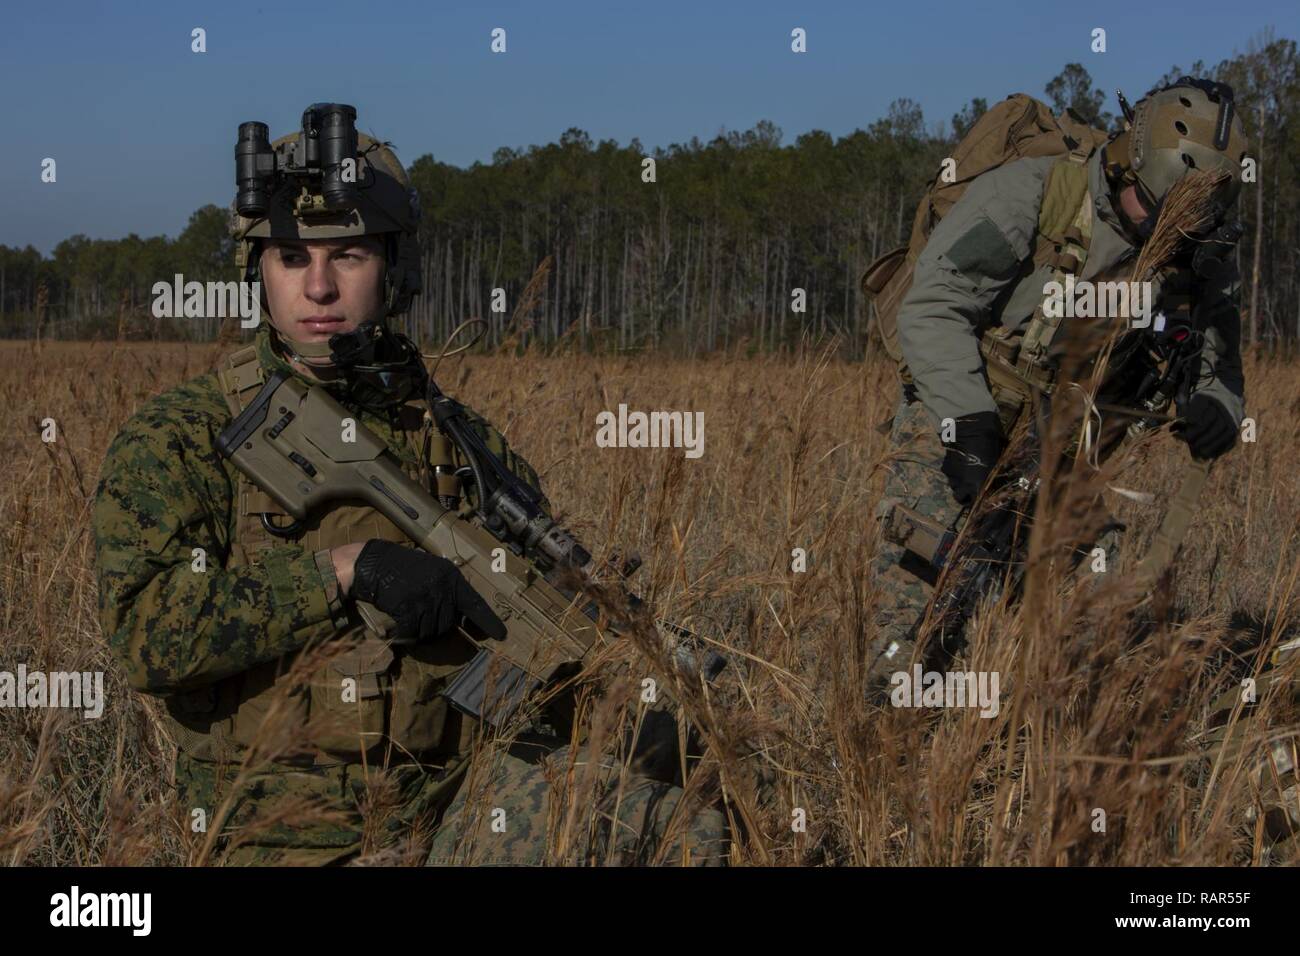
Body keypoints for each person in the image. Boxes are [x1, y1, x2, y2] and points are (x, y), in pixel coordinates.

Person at [92, 105, 727, 866]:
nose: (318, 288)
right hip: (286, 837)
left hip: (451, 807)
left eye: (349, 255)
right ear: (255, 273)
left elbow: (521, 643)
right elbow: (145, 636)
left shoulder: (456, 438)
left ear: (394, 269)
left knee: (682, 810)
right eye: (291, 258)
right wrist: (342, 571)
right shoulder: (188, 434)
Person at [867, 76, 1250, 686]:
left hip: (1062, 440)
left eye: (1184, 225)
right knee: (912, 615)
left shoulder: (1191, 243)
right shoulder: (1033, 195)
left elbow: (1218, 349)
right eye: (1157, 213)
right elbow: (933, 305)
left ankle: (1032, 741)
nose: (1164, 237)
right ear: (1128, 167)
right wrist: (966, 423)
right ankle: (888, 741)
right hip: (962, 401)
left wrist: (1218, 404)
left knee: (1092, 610)